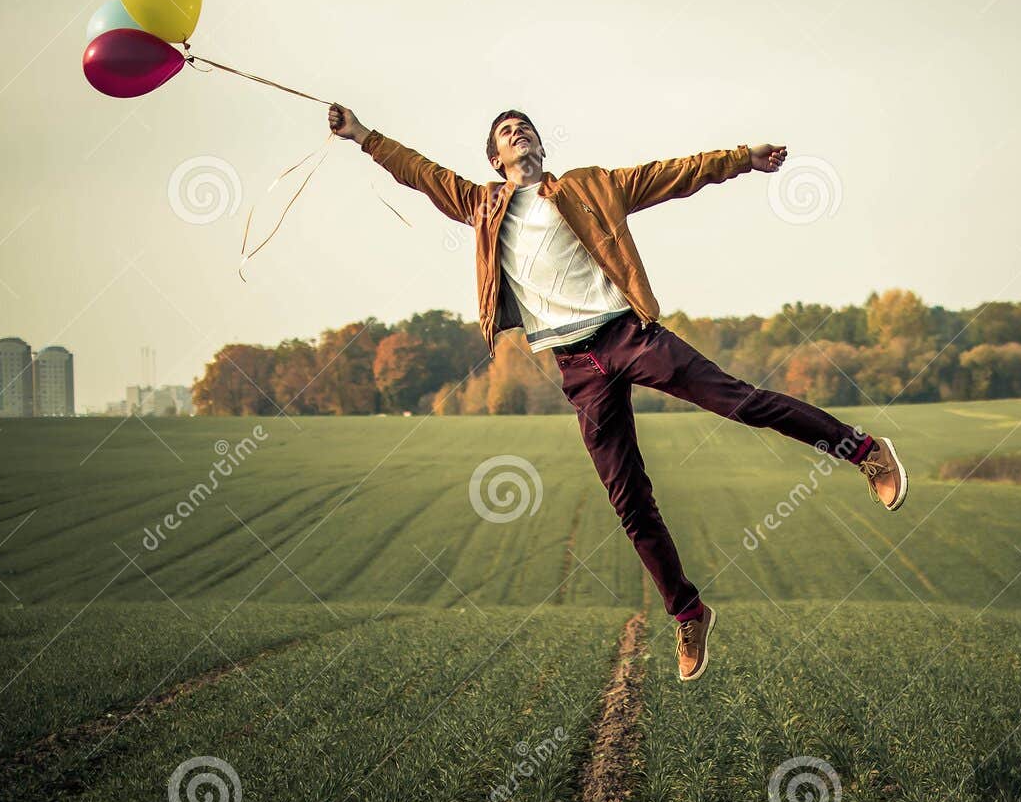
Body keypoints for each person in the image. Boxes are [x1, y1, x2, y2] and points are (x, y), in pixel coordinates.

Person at [328, 103, 906, 682]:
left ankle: (864, 451)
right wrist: (360, 135)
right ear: (495, 159)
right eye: (506, 133)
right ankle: (688, 611)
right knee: (627, 497)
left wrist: (740, 161)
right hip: (576, 366)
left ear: (540, 147)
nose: (518, 132)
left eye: (524, 126)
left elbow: (669, 174)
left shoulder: (591, 187)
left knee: (741, 401)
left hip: (629, 335)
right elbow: (419, 171)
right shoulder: (481, 206)